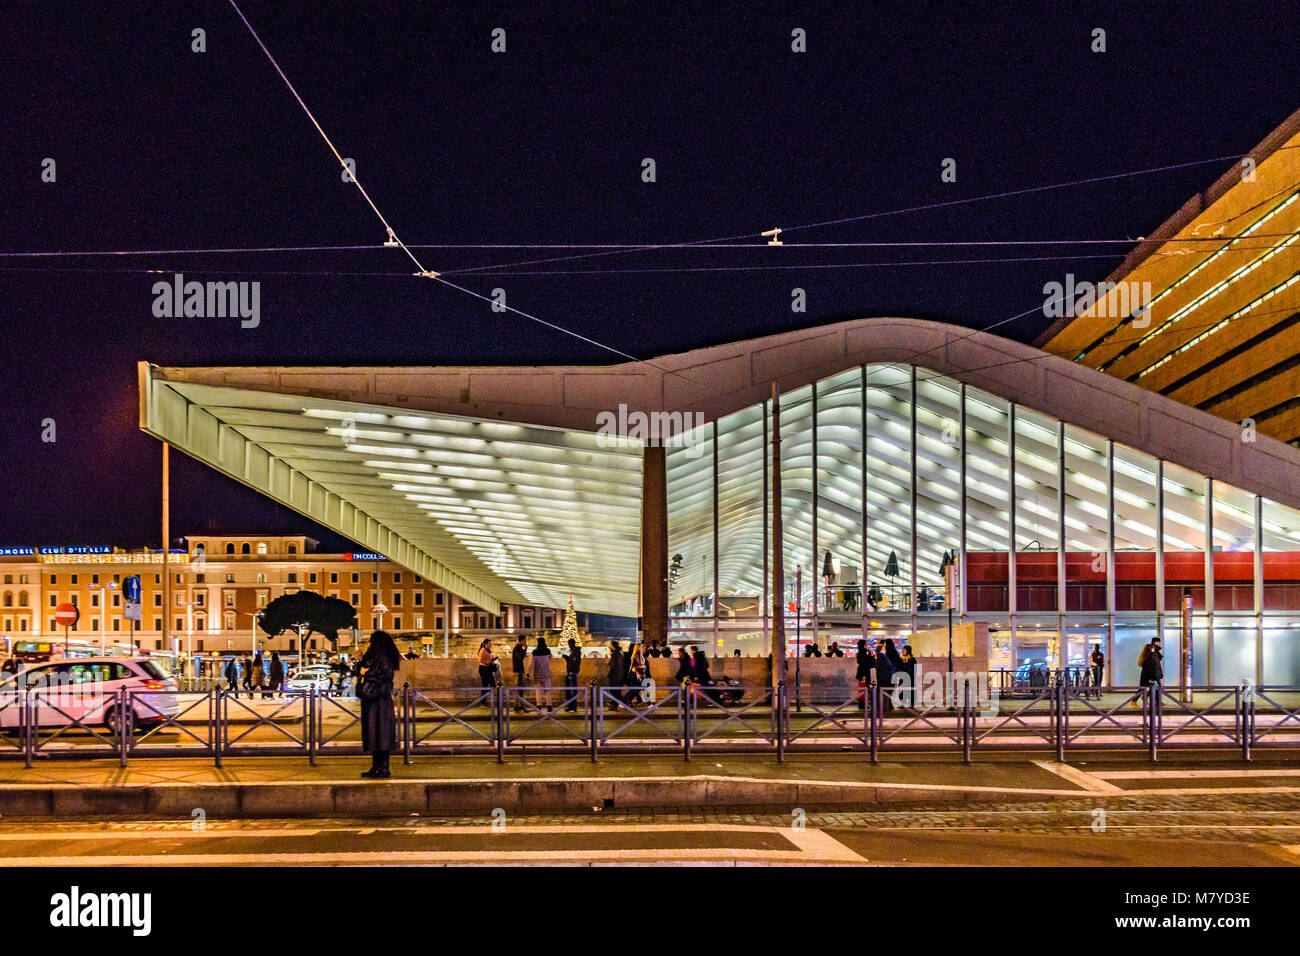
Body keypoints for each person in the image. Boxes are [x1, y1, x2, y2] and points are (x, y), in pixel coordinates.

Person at [357, 630, 400, 779]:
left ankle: (383, 768)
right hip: (376, 699)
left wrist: (364, 673)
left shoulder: (382, 656)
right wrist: (362, 661)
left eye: (371, 641)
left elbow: (382, 674)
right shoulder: (381, 655)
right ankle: (376, 767)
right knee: (375, 735)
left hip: (379, 700)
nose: (369, 644)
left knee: (381, 735)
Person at [1137, 636, 1163, 706]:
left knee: (1152, 688)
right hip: (1152, 674)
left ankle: (1157, 703)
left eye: (1159, 642)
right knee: (1155, 688)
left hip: (1153, 674)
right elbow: (1151, 666)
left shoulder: (1153, 653)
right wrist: (1152, 677)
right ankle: (1156, 703)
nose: (1158, 643)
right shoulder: (1151, 655)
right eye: (1157, 642)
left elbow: (1158, 661)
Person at [529, 636, 554, 710]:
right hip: (546, 674)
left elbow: (531, 664)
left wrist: (529, 673)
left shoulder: (534, 652)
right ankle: (549, 705)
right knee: (548, 691)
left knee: (538, 692)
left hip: (537, 674)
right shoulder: (548, 651)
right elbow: (552, 658)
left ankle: (539, 705)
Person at [563, 637, 583, 712]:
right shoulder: (574, 651)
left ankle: (572, 707)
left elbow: (575, 662)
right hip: (571, 672)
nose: (569, 646)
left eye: (569, 644)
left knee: (572, 690)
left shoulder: (576, 651)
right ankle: (571, 706)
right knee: (569, 690)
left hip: (572, 672)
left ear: (571, 644)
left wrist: (567, 658)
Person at [511, 635, 529, 712]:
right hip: (518, 671)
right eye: (524, 640)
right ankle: (517, 705)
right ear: (521, 641)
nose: (525, 642)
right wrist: (525, 649)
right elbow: (520, 657)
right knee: (519, 688)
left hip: (520, 670)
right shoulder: (517, 648)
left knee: (521, 689)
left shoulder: (518, 648)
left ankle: (520, 705)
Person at [855, 639, 872, 711]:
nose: (867, 645)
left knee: (862, 689)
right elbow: (865, 663)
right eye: (866, 644)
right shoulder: (864, 652)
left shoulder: (860, 652)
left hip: (861, 673)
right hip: (864, 673)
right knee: (864, 689)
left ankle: (862, 704)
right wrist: (869, 653)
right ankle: (863, 705)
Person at [607, 641, 625, 708]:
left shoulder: (616, 653)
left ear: (613, 646)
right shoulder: (618, 653)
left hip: (615, 675)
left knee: (615, 690)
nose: (609, 647)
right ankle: (615, 702)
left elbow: (615, 665)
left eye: (610, 645)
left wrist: (612, 673)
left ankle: (621, 702)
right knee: (615, 690)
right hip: (618, 674)